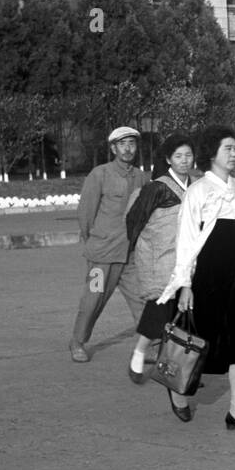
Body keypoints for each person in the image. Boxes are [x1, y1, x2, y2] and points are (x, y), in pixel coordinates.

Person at [158, 125, 235, 428]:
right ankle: (179, 393)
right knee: (194, 340)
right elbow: (185, 242)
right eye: (228, 148)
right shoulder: (199, 192)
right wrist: (185, 285)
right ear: (213, 154)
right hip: (205, 281)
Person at [120, 132, 198, 385]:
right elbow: (134, 221)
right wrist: (149, 246)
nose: (184, 160)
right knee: (161, 307)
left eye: (188, 155)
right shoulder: (157, 187)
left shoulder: (195, 186)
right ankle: (140, 352)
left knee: (184, 312)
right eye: (179, 156)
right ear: (168, 159)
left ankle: (177, 367)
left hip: (186, 256)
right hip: (160, 256)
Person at [69, 125, 146, 362]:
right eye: (122, 144)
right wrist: (94, 242)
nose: (127, 148)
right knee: (93, 300)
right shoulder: (99, 174)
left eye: (131, 143)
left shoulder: (142, 177)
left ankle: (150, 345)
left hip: (130, 255)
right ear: (113, 148)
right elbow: (86, 213)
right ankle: (78, 342)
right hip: (102, 255)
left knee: (142, 300)